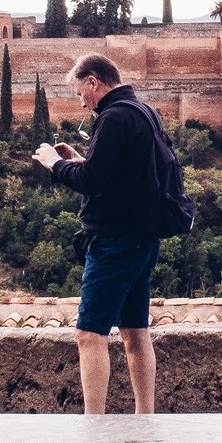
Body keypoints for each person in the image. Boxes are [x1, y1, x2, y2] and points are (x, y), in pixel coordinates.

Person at [32, 54, 163, 414]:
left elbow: (94, 181)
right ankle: (145, 417)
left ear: (93, 81)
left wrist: (54, 164)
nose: (81, 103)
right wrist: (79, 160)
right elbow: (118, 175)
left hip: (114, 241)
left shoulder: (113, 116)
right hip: (142, 238)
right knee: (135, 332)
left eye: (80, 94)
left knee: (89, 334)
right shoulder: (143, 112)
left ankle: (95, 426)